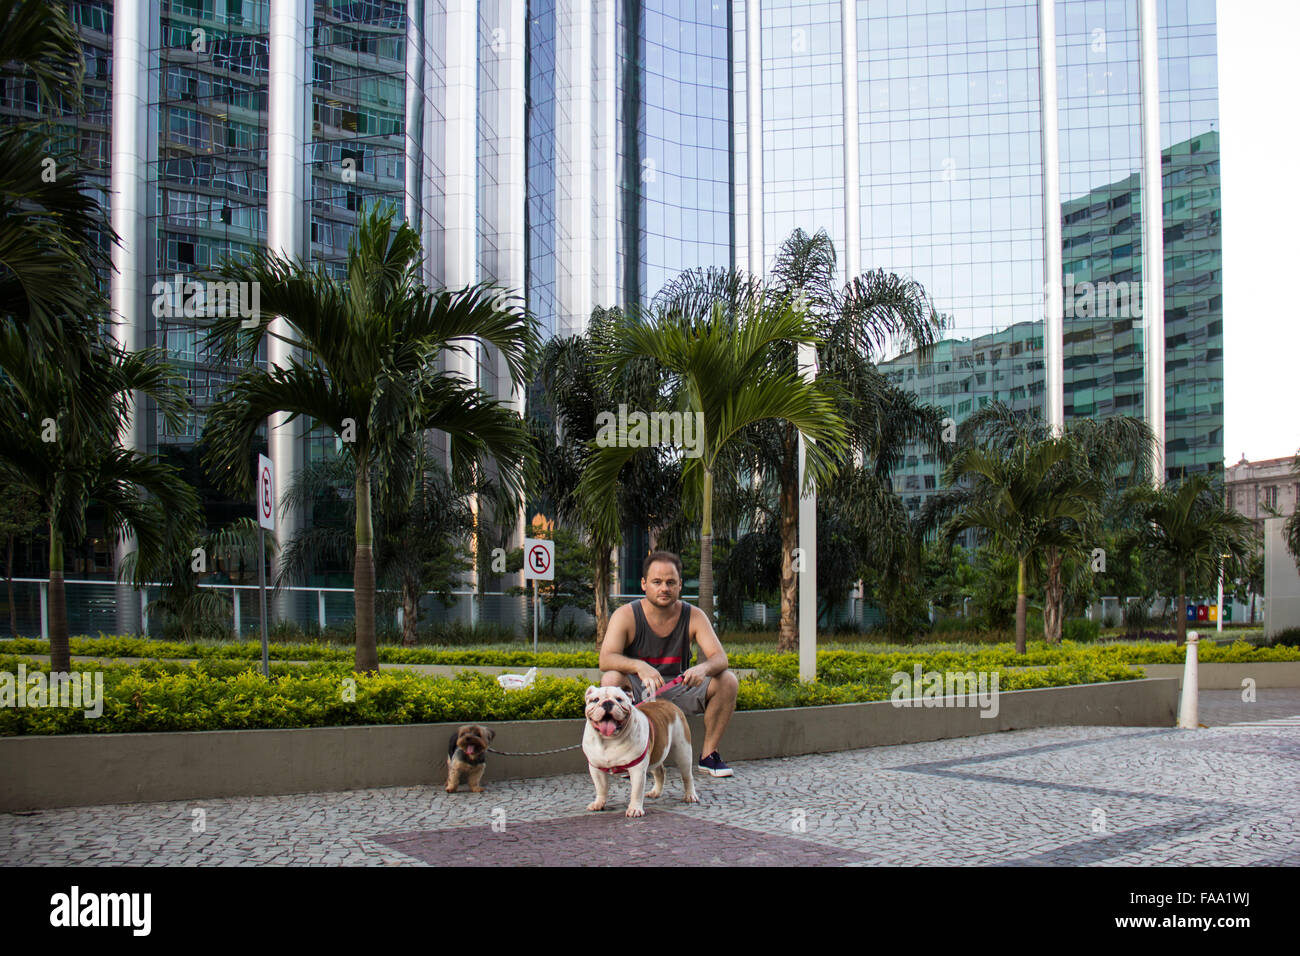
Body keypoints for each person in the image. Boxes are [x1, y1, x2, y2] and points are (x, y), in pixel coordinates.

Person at [597, 550, 739, 777]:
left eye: (670, 582)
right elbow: (606, 659)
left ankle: (709, 756)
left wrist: (702, 668)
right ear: (644, 584)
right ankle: (626, 757)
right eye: (657, 582)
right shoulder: (626, 615)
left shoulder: (694, 615)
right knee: (611, 679)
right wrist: (640, 667)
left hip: (678, 689)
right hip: (640, 693)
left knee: (727, 681)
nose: (664, 588)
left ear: (680, 585)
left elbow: (720, 658)